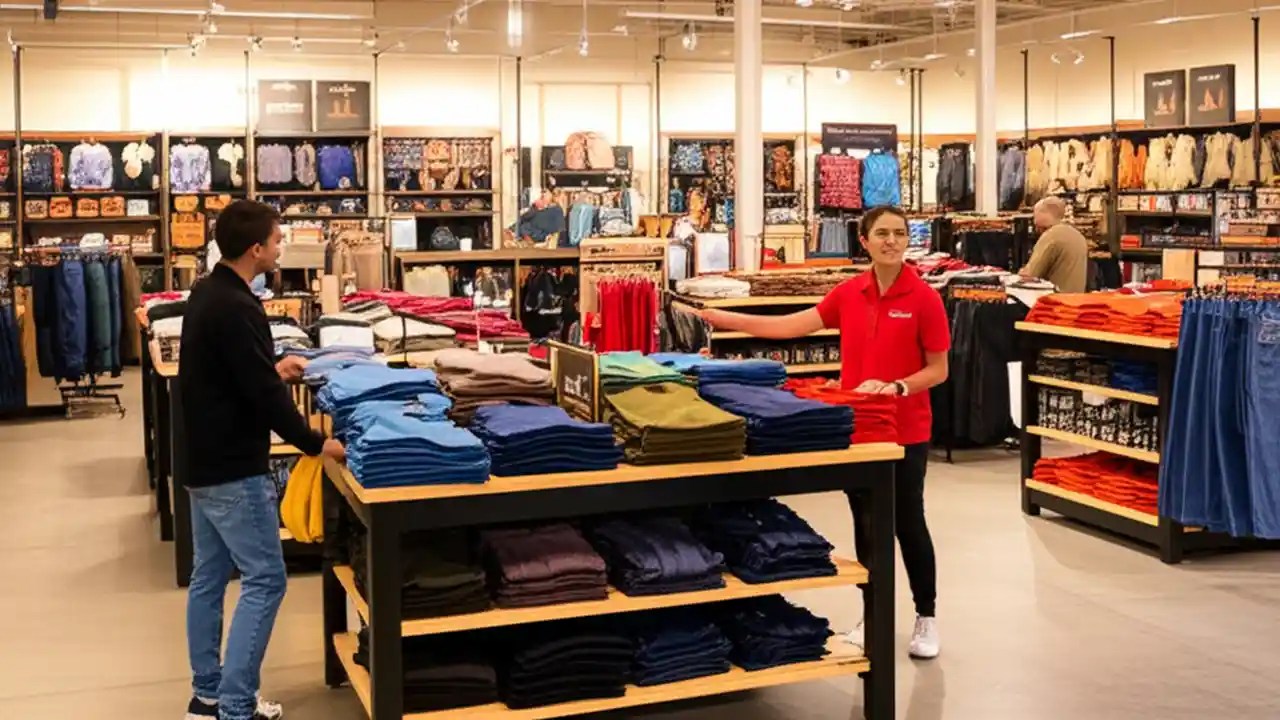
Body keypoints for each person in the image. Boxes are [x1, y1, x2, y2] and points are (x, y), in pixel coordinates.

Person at [696, 205, 949, 659]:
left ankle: (925, 616)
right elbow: (791, 326)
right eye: (883, 234)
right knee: (867, 526)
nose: (892, 241)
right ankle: (872, 616)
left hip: (907, 429)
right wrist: (729, 319)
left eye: (899, 233)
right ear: (865, 241)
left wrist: (898, 386)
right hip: (858, 429)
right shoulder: (849, 293)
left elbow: (939, 370)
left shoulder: (924, 298)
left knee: (908, 522)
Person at [179, 200, 345, 720]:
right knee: (266, 579)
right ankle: (235, 707)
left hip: (200, 462)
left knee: (208, 576)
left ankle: (208, 695)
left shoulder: (208, 293)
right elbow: (264, 402)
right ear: (256, 249)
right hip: (233, 466)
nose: (280, 249)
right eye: (277, 241)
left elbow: (231, 376)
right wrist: (317, 443)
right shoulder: (240, 307)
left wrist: (271, 367)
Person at [1022, 196, 1088, 293]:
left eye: (1035, 215)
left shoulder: (1051, 236)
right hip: (1076, 301)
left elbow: (1030, 275)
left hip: (1054, 303)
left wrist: (1021, 273)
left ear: (1043, 214)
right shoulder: (1078, 235)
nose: (1034, 221)